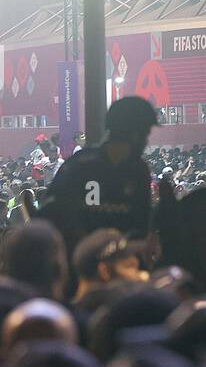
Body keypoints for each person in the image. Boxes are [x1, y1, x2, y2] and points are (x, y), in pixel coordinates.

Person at [38, 97, 157, 266]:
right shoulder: (80, 165)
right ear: (134, 134)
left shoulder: (138, 170)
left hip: (122, 266)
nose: (146, 141)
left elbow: (141, 225)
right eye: (145, 134)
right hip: (78, 268)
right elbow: (52, 215)